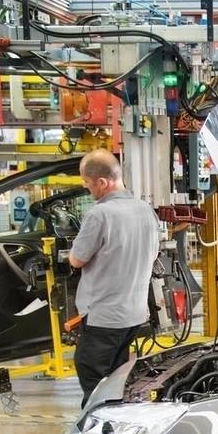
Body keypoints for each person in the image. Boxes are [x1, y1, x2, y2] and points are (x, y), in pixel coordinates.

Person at [68, 150, 160, 406]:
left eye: (87, 183)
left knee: (93, 379)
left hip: (104, 317)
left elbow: (77, 259)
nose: (88, 189)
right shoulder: (145, 210)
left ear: (102, 182)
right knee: (116, 378)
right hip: (133, 315)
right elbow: (153, 255)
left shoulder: (100, 214)